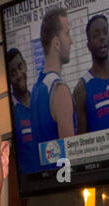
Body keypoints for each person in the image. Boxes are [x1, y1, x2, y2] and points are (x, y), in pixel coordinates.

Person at [30, 7, 76, 149]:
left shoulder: (36, 89)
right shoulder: (60, 90)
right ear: (56, 43)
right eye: (67, 34)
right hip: (62, 171)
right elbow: (71, 154)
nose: (71, 41)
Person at [5, 48, 38, 173]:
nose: (19, 75)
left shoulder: (41, 102)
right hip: (30, 183)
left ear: (25, 65)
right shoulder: (11, 114)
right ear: (8, 79)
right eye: (13, 73)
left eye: (20, 67)